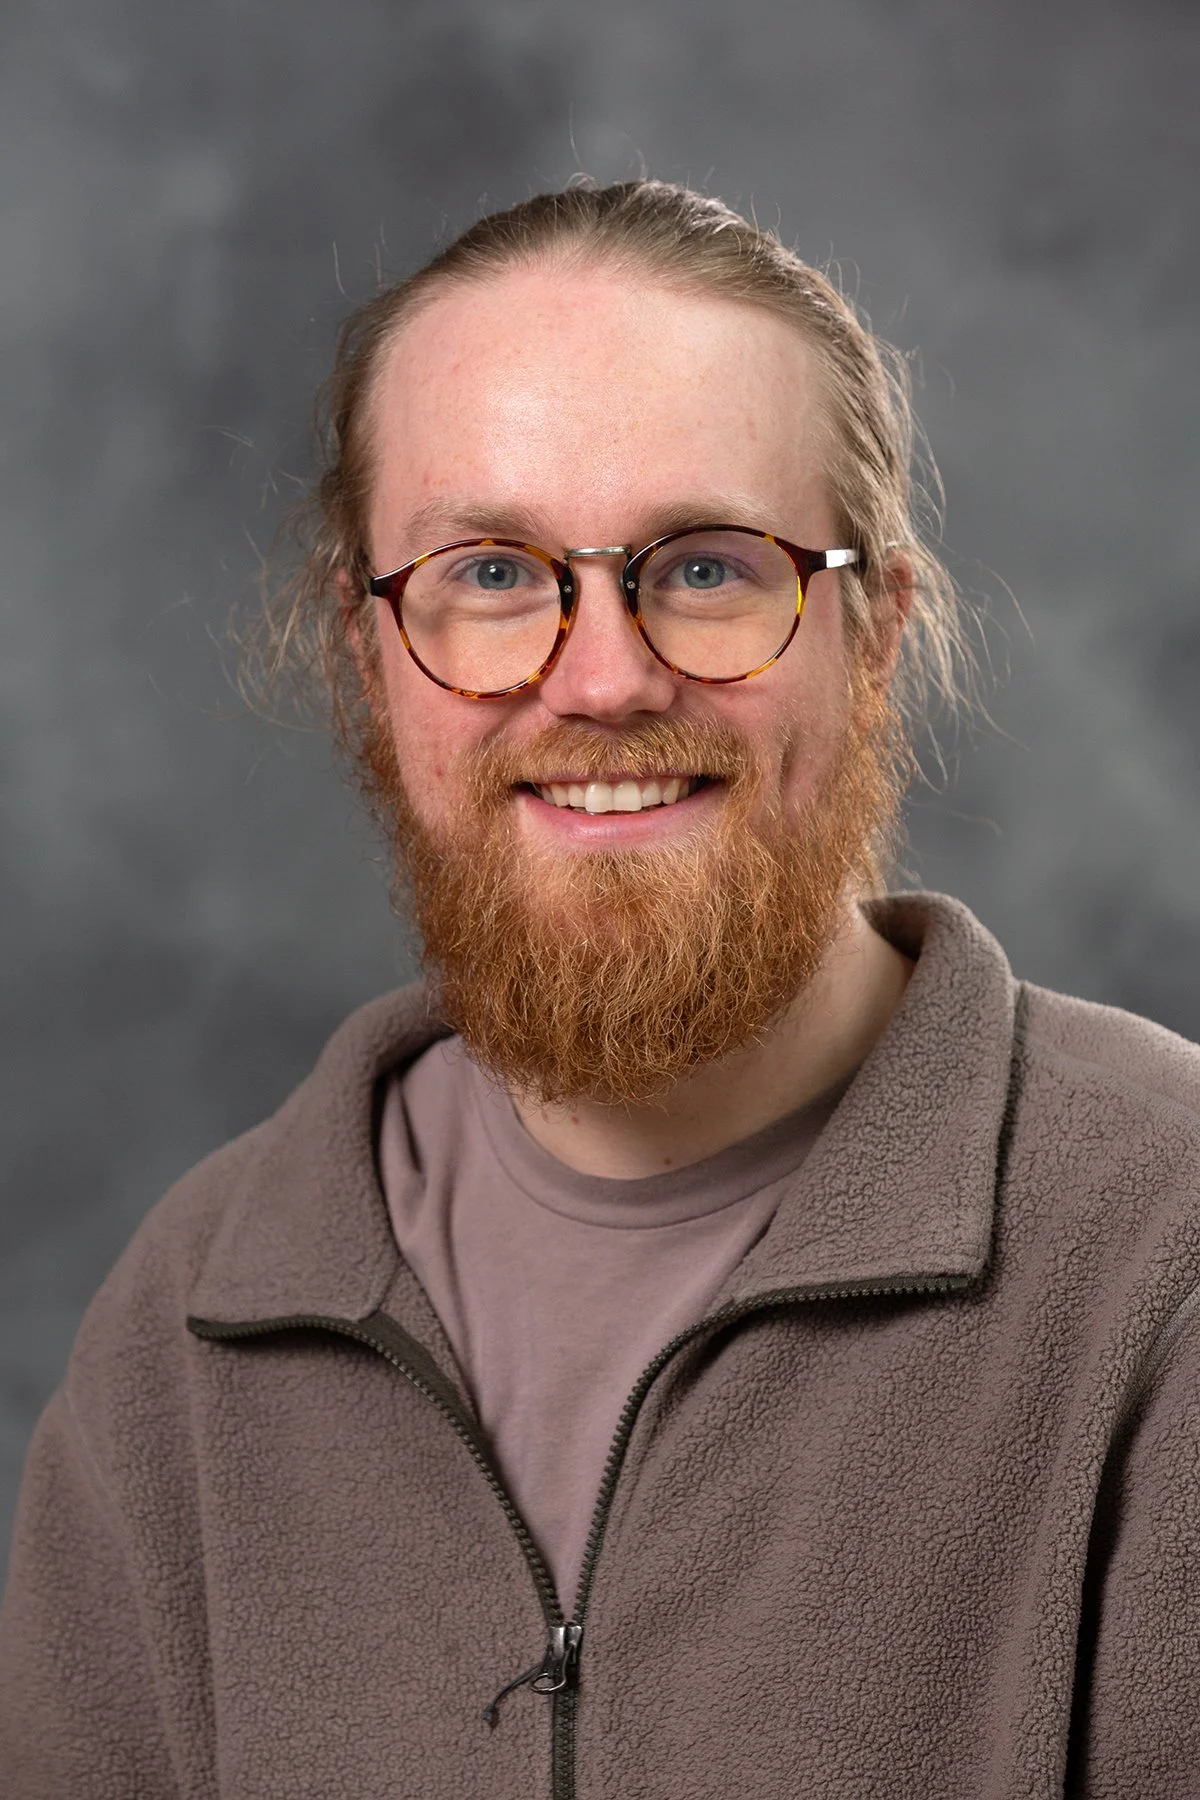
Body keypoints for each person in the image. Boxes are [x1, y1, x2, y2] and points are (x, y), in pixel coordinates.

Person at [2, 180, 1198, 1800]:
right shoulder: (190, 1326)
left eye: (705, 567)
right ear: (368, 663)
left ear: (874, 634)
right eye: (491, 574)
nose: (606, 675)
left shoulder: (1163, 1260)